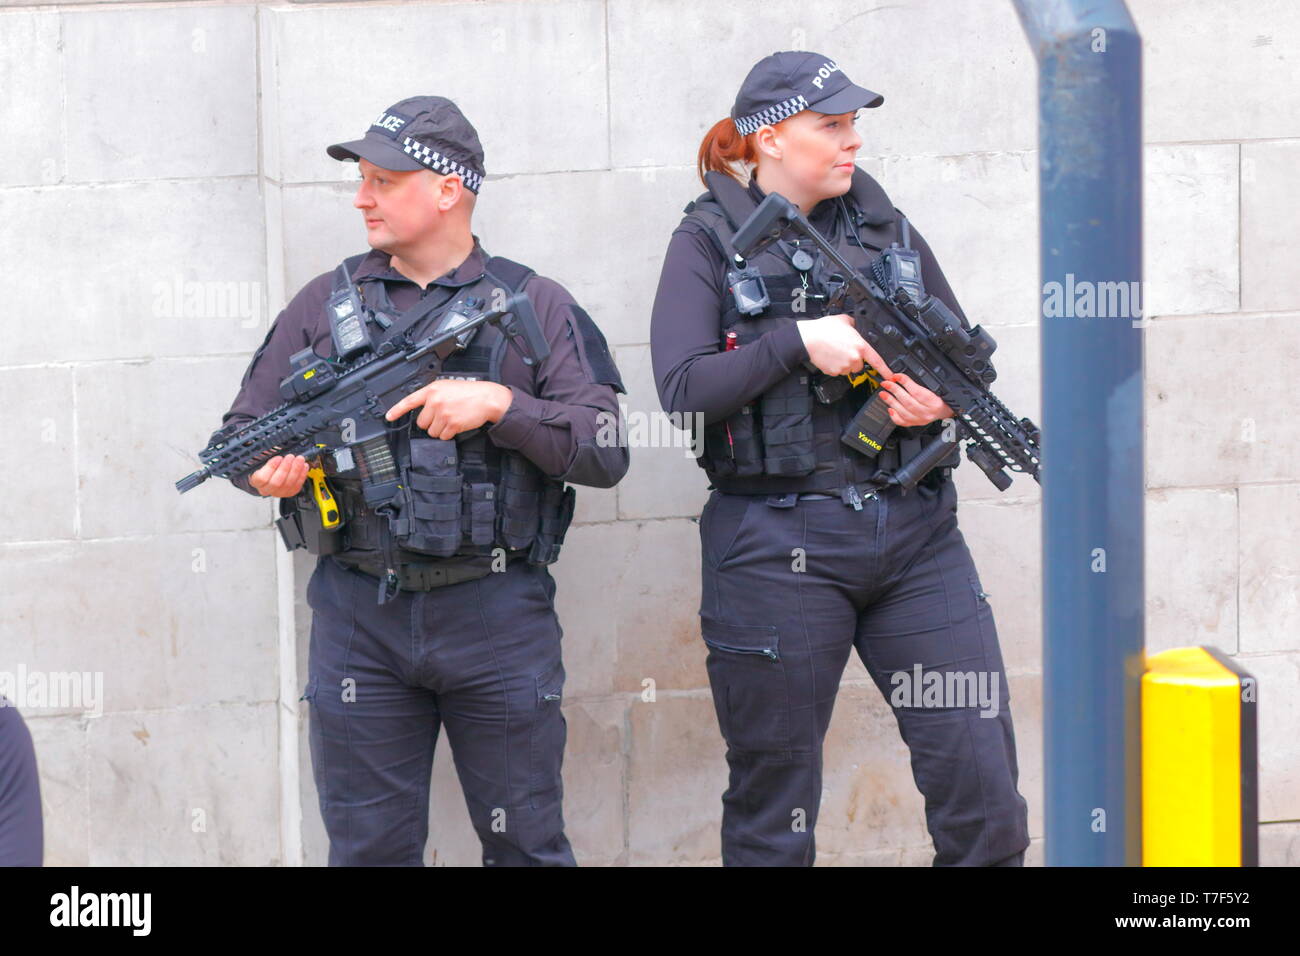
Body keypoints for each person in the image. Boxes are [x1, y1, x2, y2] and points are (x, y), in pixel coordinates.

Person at [211, 96, 628, 866]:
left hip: (498, 613)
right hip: (358, 616)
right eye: (360, 180)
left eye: (382, 179)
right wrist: (262, 475)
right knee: (369, 851)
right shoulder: (324, 303)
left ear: (447, 188)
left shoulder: (534, 303)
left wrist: (501, 405)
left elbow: (604, 451)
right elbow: (240, 436)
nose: (361, 197)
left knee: (528, 847)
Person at [650, 52, 1031, 866]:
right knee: (773, 811)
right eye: (831, 124)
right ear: (769, 139)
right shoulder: (706, 239)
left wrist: (939, 403)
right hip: (773, 547)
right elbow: (681, 386)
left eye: (855, 122)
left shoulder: (886, 229)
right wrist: (796, 342)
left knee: (986, 794)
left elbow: (963, 368)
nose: (852, 140)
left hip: (918, 534)